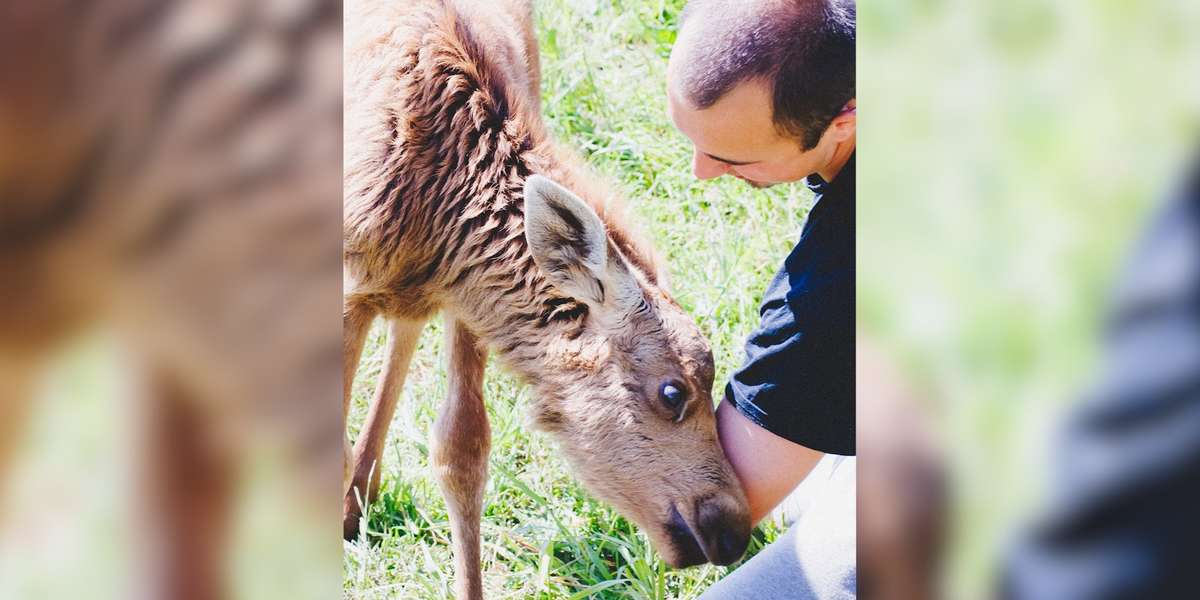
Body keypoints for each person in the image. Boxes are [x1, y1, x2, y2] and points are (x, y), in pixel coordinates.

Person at [665, 0, 857, 597]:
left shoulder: (841, 284)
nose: (700, 172)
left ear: (845, 121)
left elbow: (704, 517)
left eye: (733, 157)